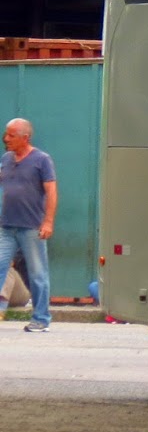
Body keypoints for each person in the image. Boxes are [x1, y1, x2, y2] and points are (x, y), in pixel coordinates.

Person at [0, 118, 56, 332]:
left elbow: (51, 191)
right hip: (7, 226)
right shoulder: (6, 159)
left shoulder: (42, 160)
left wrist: (48, 222)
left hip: (31, 226)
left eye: (11, 135)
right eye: (6, 134)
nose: (6, 138)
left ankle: (41, 319)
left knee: (38, 274)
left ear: (26, 137)